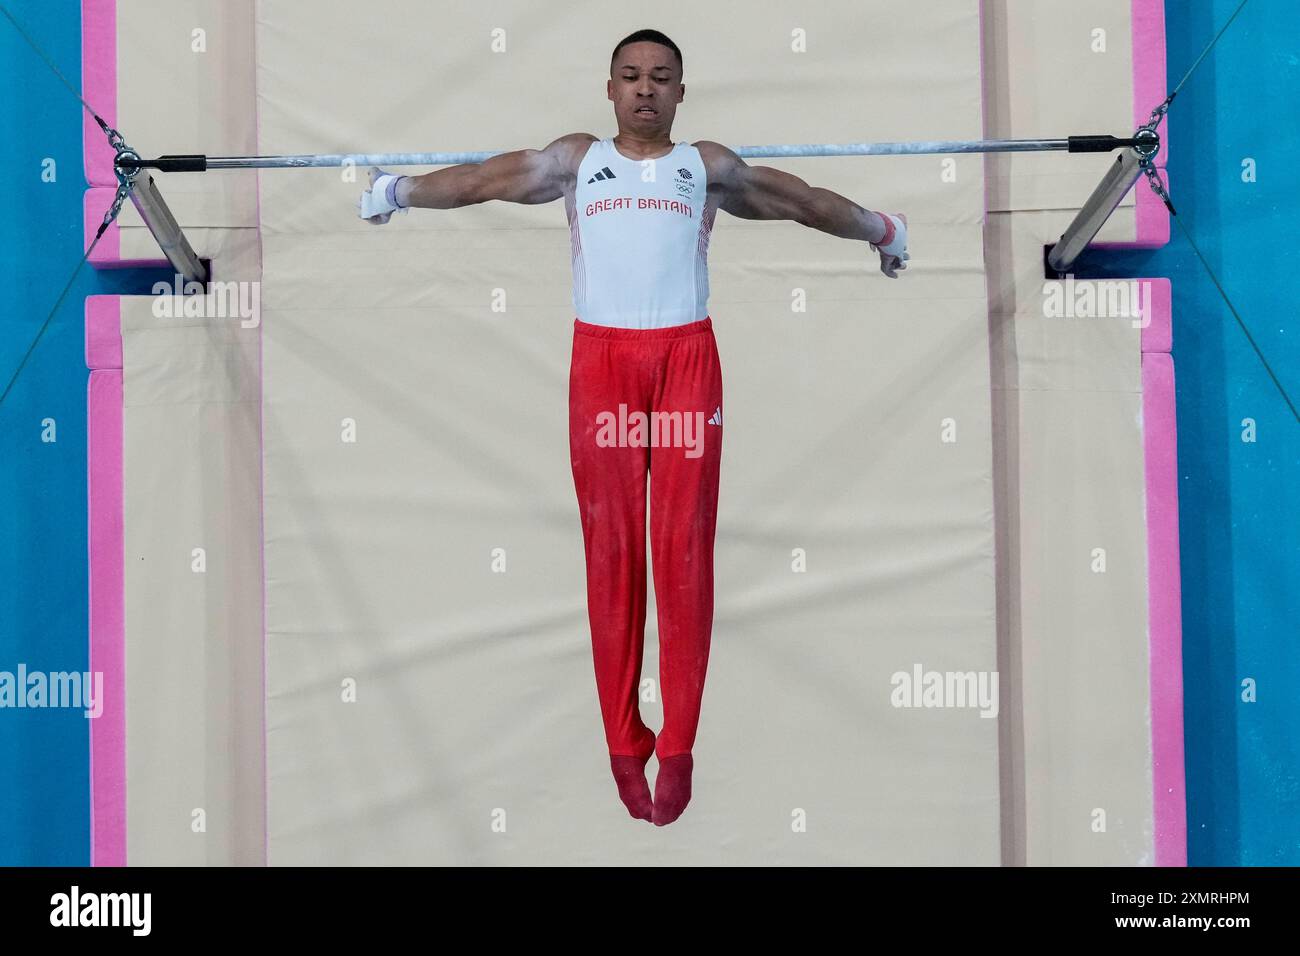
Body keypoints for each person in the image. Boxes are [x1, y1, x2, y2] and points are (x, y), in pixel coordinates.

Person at [359, 28, 908, 827]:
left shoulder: (706, 169)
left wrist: (881, 231)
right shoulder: (575, 162)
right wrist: (395, 192)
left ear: (682, 92)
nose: (645, 89)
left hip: (685, 364)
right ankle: (624, 743)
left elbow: (804, 203)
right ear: (609, 88)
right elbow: (480, 182)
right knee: (612, 549)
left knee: (681, 548)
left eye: (661, 78)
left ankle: (678, 744)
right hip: (604, 367)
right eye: (631, 76)